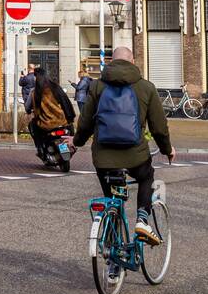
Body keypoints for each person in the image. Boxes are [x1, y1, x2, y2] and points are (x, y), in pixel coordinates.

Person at [71, 46, 175, 246]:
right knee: (146, 176)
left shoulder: (96, 86)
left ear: (111, 61)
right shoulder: (146, 87)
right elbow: (159, 128)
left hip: (104, 159)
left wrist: (76, 143)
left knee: (112, 200)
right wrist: (167, 149)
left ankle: (112, 256)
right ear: (133, 61)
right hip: (135, 156)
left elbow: (85, 124)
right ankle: (142, 220)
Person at [28, 67, 75, 156]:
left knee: (33, 126)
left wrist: (30, 111)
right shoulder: (56, 88)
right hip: (61, 121)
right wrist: (70, 117)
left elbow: (32, 109)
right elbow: (66, 102)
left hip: (46, 123)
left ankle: (40, 148)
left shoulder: (35, 92)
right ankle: (71, 145)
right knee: (70, 129)